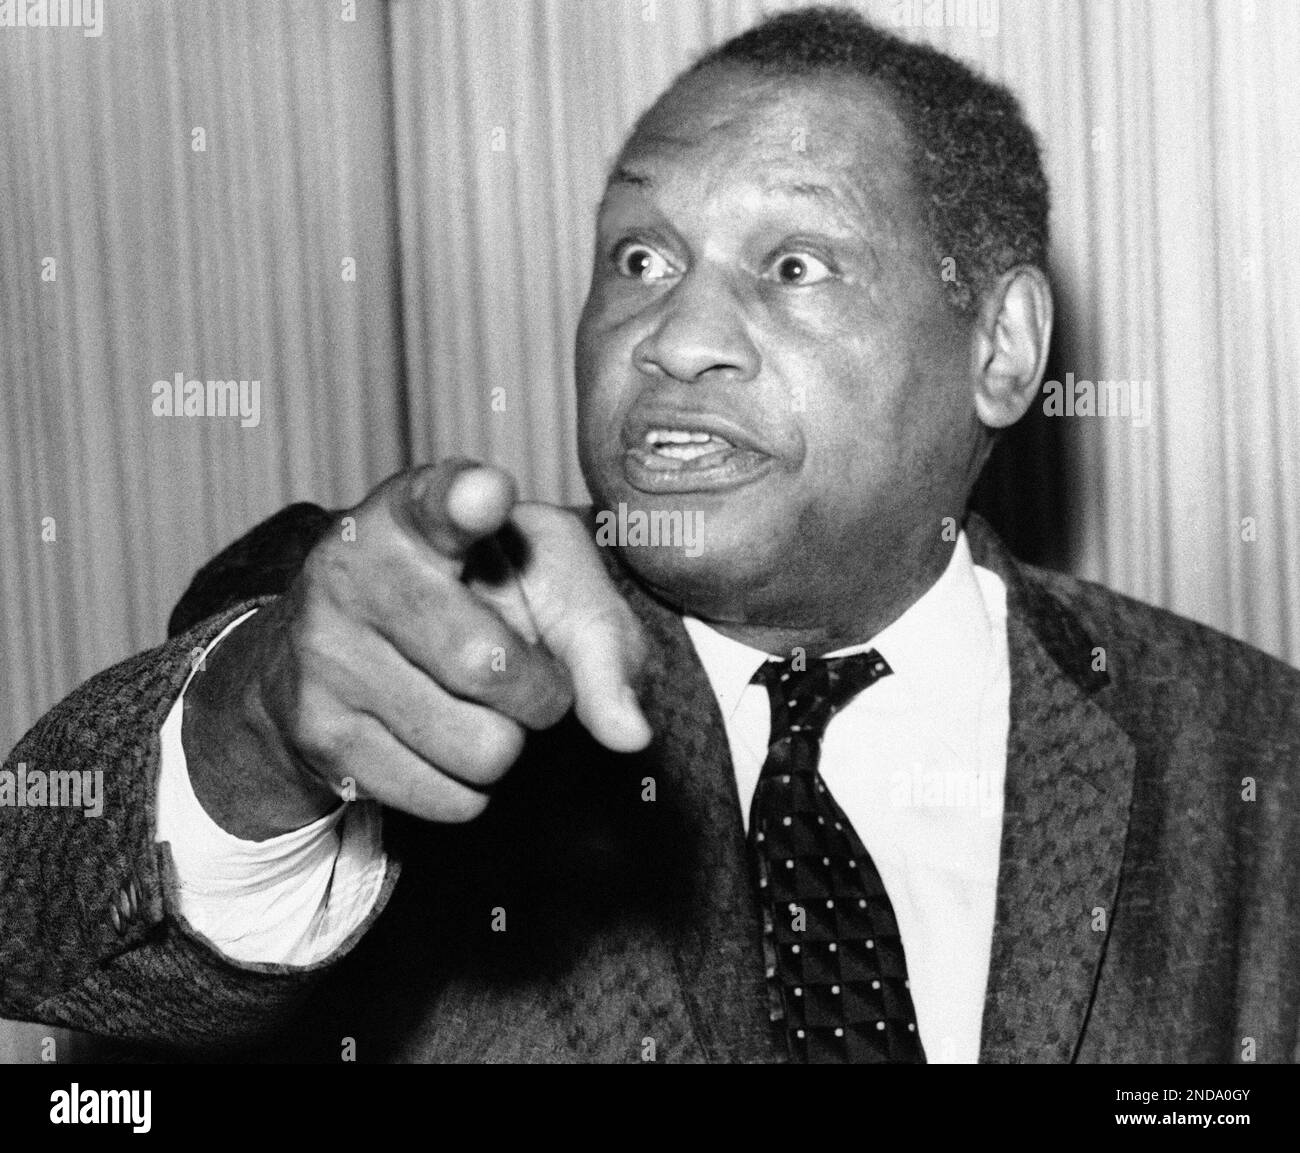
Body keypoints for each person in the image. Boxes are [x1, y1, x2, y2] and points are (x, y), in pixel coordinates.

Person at [2, 6, 1296, 1064]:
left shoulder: (1255, 753)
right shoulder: (394, 637)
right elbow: (39, 929)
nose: (673, 335)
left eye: (795, 266)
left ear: (1003, 348)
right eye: (639, 259)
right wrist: (261, 727)